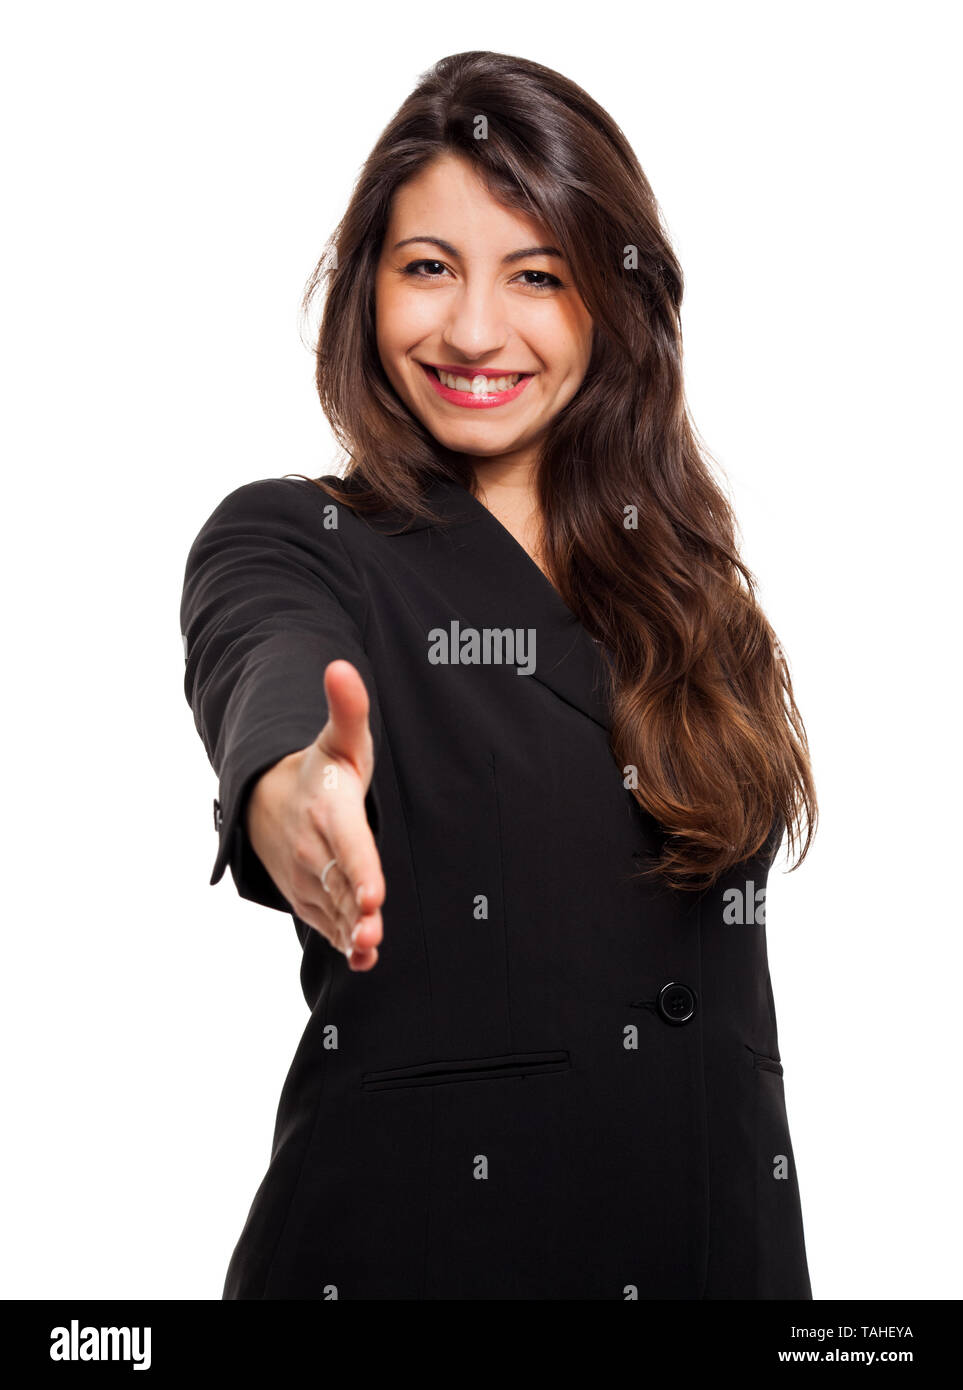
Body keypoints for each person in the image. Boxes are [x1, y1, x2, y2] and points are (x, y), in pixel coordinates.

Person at [180, 50, 818, 1300]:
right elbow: (267, 668)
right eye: (430, 268)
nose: (475, 330)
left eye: (537, 275)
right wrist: (294, 790)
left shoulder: (690, 597)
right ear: (367, 288)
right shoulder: (302, 541)